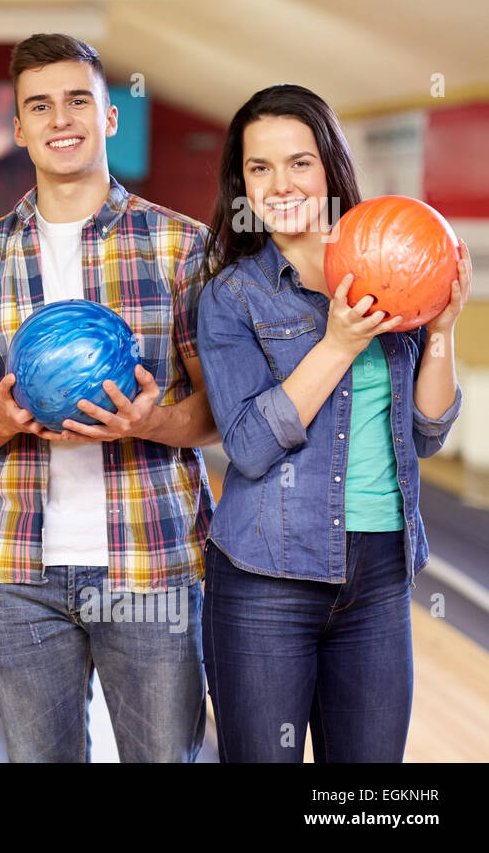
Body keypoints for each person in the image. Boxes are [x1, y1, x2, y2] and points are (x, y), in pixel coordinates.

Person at [0, 33, 219, 763]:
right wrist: (4, 418)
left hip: (153, 561)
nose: (61, 118)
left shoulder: (183, 247)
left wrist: (152, 421)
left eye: (78, 100)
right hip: (19, 574)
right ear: (18, 129)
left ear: (109, 117)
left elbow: (219, 413)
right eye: (40, 105)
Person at [196, 84, 469, 763]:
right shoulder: (234, 295)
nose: (280, 183)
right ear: (242, 183)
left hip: (378, 574)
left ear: (330, 169)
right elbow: (250, 447)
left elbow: (428, 433)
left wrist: (442, 331)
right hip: (266, 577)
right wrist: (339, 343)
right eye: (259, 168)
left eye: (299, 162)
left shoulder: (392, 270)